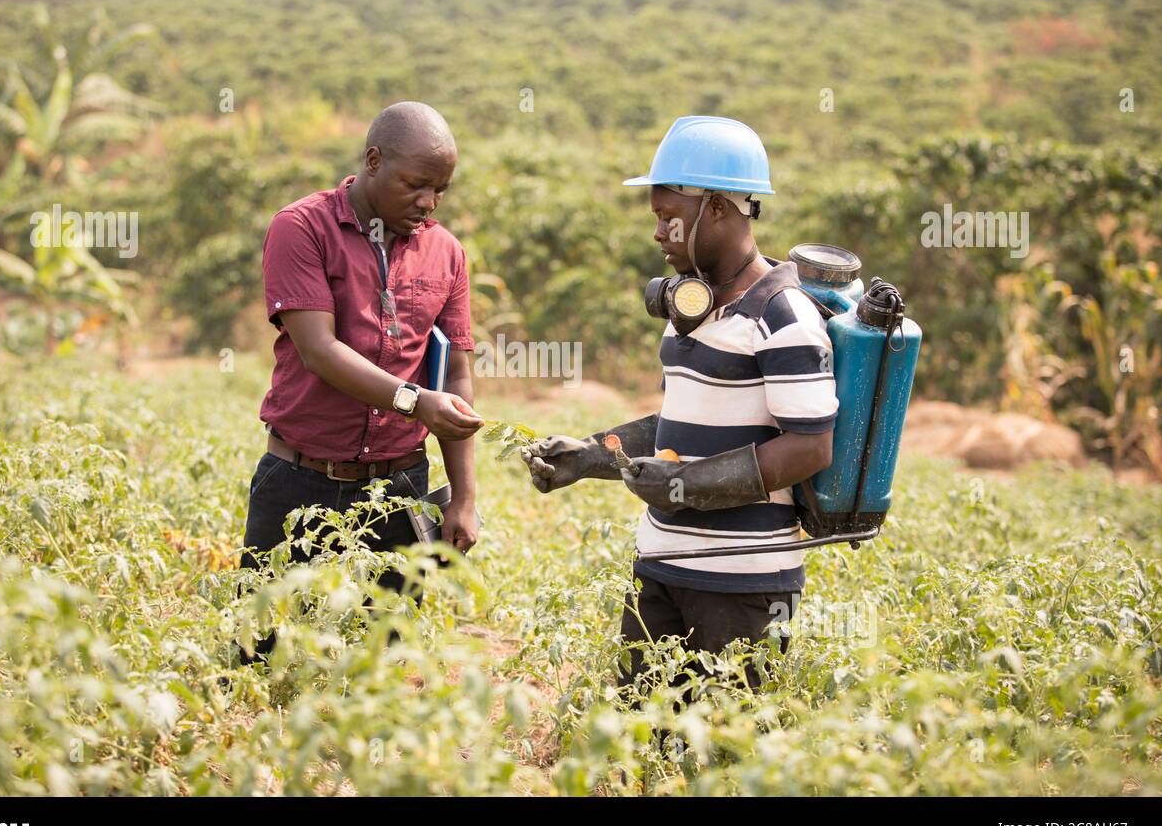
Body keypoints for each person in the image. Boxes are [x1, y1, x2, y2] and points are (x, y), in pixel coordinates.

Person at [521, 116, 837, 697]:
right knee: (643, 744)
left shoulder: (784, 317)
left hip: (743, 588)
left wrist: (691, 485)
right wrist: (590, 456)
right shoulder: (695, 307)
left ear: (717, 209)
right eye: (656, 219)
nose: (659, 234)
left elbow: (811, 446)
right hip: (661, 565)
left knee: (719, 757)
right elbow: (679, 423)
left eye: (670, 218)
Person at [238, 101, 483, 664]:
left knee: (388, 660)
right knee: (260, 651)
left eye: (440, 189)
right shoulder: (301, 228)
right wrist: (413, 402)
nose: (428, 203)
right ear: (373, 161)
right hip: (300, 479)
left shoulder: (446, 252)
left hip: (400, 487)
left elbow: (457, 375)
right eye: (416, 185)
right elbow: (319, 350)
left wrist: (465, 497)